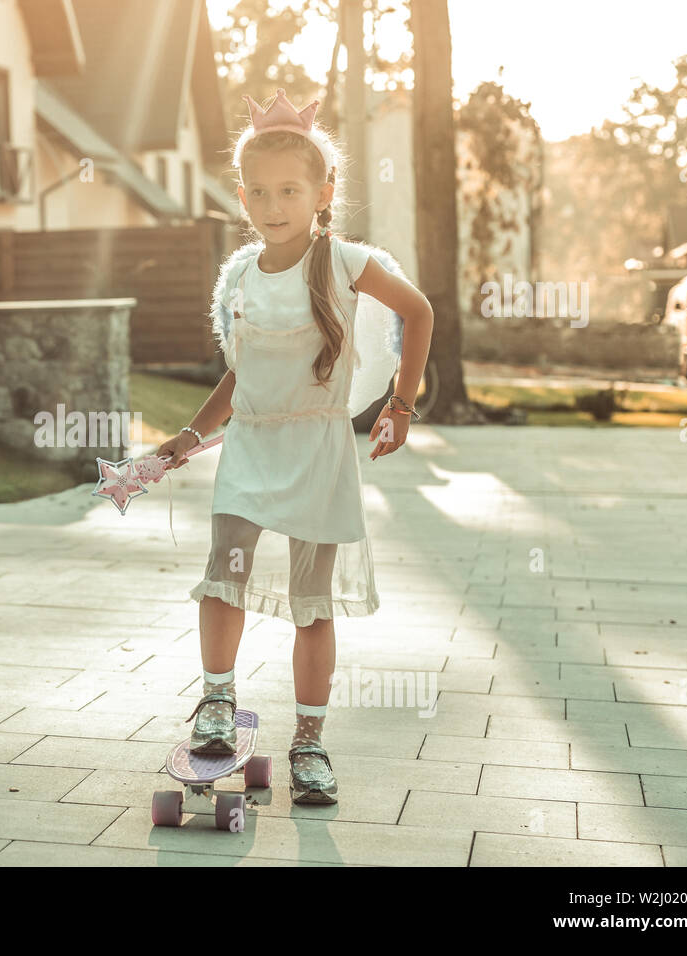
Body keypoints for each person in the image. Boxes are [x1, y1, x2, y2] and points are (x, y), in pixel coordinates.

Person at [157, 88, 434, 805]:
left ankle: (309, 742)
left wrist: (401, 405)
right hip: (250, 446)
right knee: (226, 573)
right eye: (259, 191)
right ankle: (217, 703)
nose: (273, 204)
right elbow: (241, 372)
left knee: (314, 604)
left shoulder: (342, 262)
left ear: (322, 193)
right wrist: (190, 435)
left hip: (317, 448)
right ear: (241, 196)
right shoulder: (242, 275)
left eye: (290, 190)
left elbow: (418, 310)